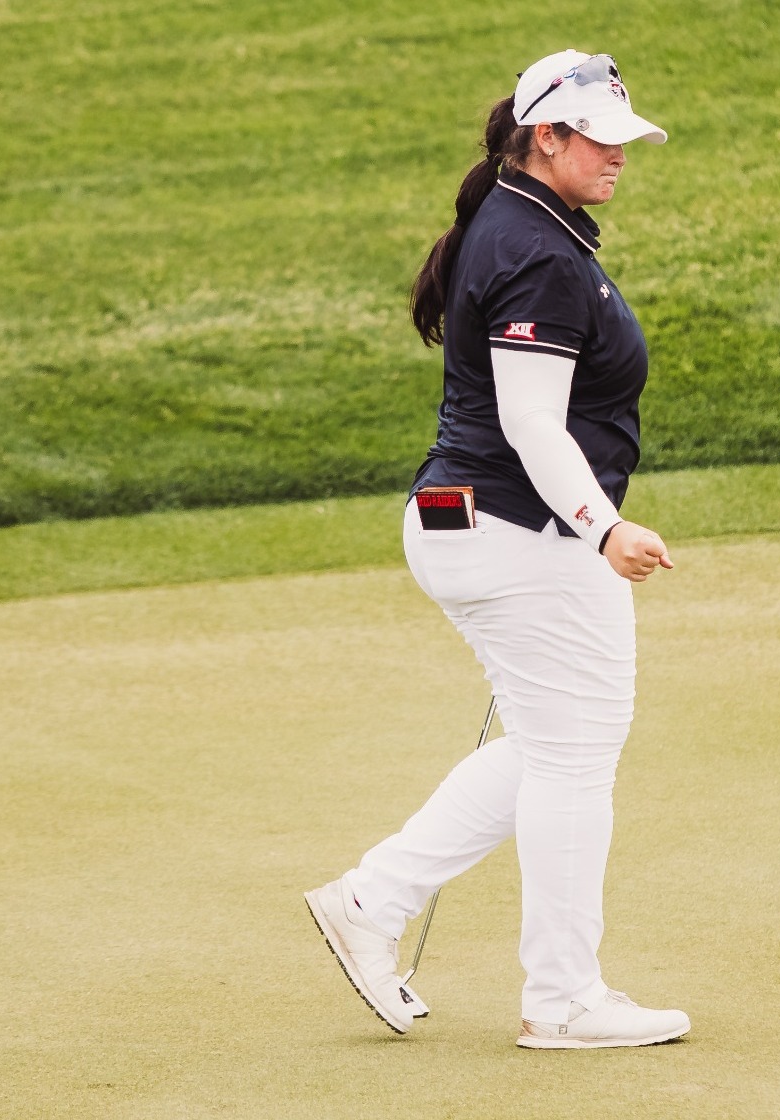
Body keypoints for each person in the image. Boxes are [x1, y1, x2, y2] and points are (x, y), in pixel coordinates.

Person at [304, 49, 688, 1049]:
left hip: (477, 521)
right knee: (574, 757)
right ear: (544, 136)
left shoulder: (523, 223)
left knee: (558, 747)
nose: (616, 156)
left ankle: (370, 901)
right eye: (597, 139)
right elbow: (530, 421)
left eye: (622, 139)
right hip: (513, 527)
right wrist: (603, 526)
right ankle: (560, 1000)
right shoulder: (535, 253)